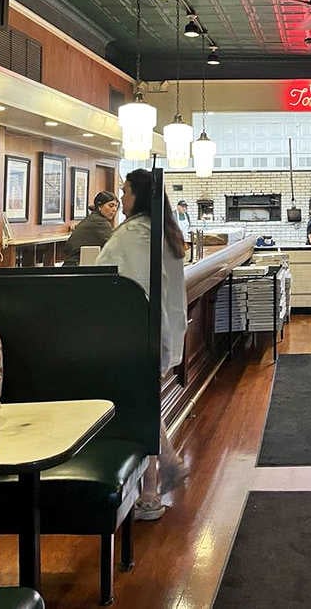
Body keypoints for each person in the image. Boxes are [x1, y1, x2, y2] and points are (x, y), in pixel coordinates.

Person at [96, 169, 188, 521]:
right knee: (146, 402)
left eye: (125, 191)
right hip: (157, 333)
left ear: (138, 195)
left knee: (141, 405)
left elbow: (124, 285)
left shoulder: (136, 233)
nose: (121, 199)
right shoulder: (163, 230)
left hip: (135, 334)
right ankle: (166, 465)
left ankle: (151, 490)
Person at [62, 191, 119, 266]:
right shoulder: (100, 222)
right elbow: (115, 246)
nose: (114, 209)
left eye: (116, 206)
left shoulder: (93, 218)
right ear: (99, 206)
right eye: (111, 206)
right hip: (76, 266)